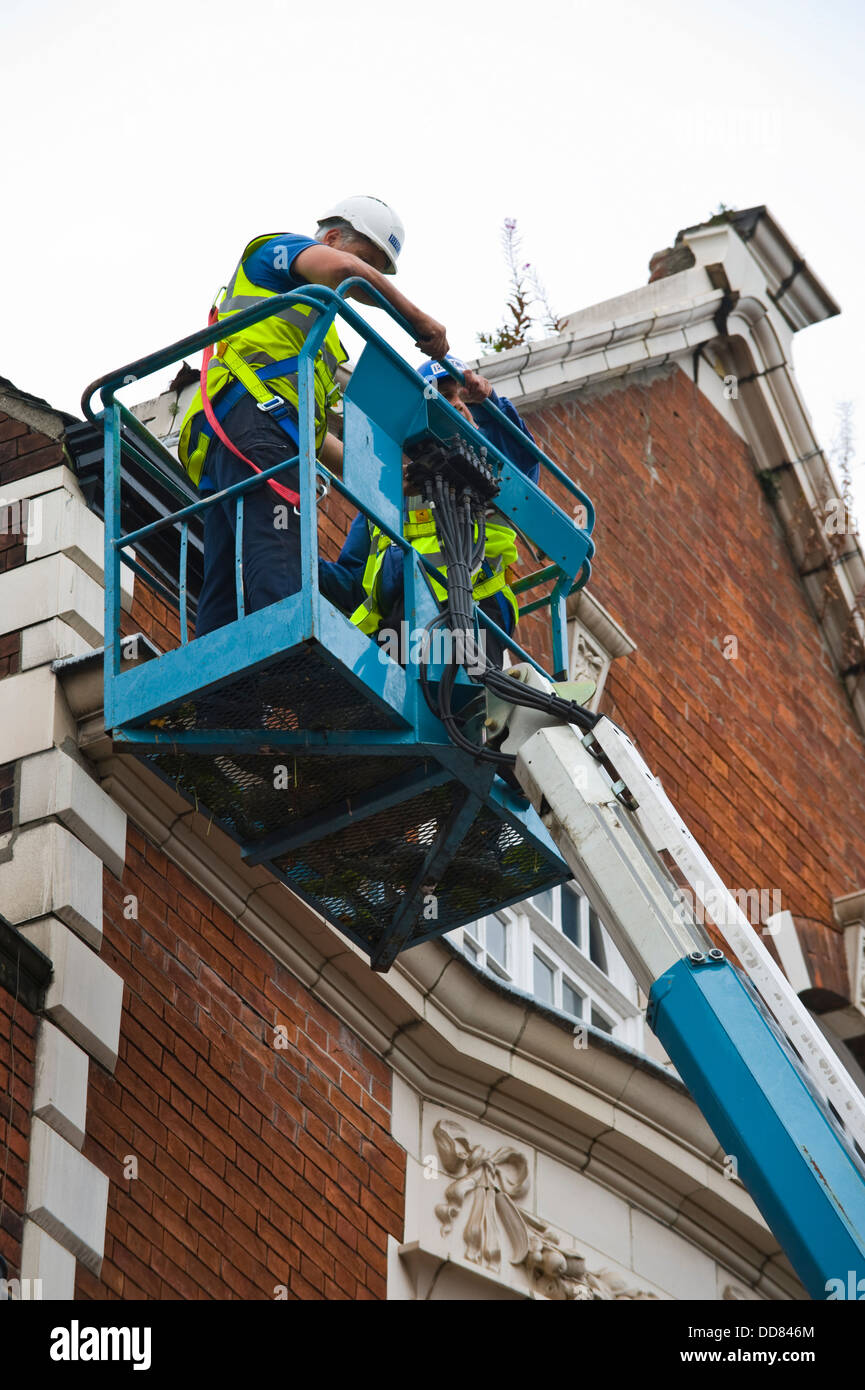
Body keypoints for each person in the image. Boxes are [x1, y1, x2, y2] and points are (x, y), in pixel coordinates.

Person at [178, 197, 448, 638]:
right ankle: (292, 650)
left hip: (243, 433)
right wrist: (419, 321)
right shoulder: (274, 251)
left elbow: (314, 434)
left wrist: (386, 480)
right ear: (334, 238)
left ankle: (222, 703)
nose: (371, 280)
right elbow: (346, 271)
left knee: (227, 577)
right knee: (278, 548)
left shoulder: (314, 330)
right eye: (369, 261)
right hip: (251, 424)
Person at [319, 355, 540, 668]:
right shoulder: (391, 493)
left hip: (478, 613)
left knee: (456, 699)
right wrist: (298, 562)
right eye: (446, 397)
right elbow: (355, 583)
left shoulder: (492, 474)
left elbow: (524, 459)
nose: (459, 405)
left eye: (464, 399)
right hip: (401, 618)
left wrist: (489, 404)